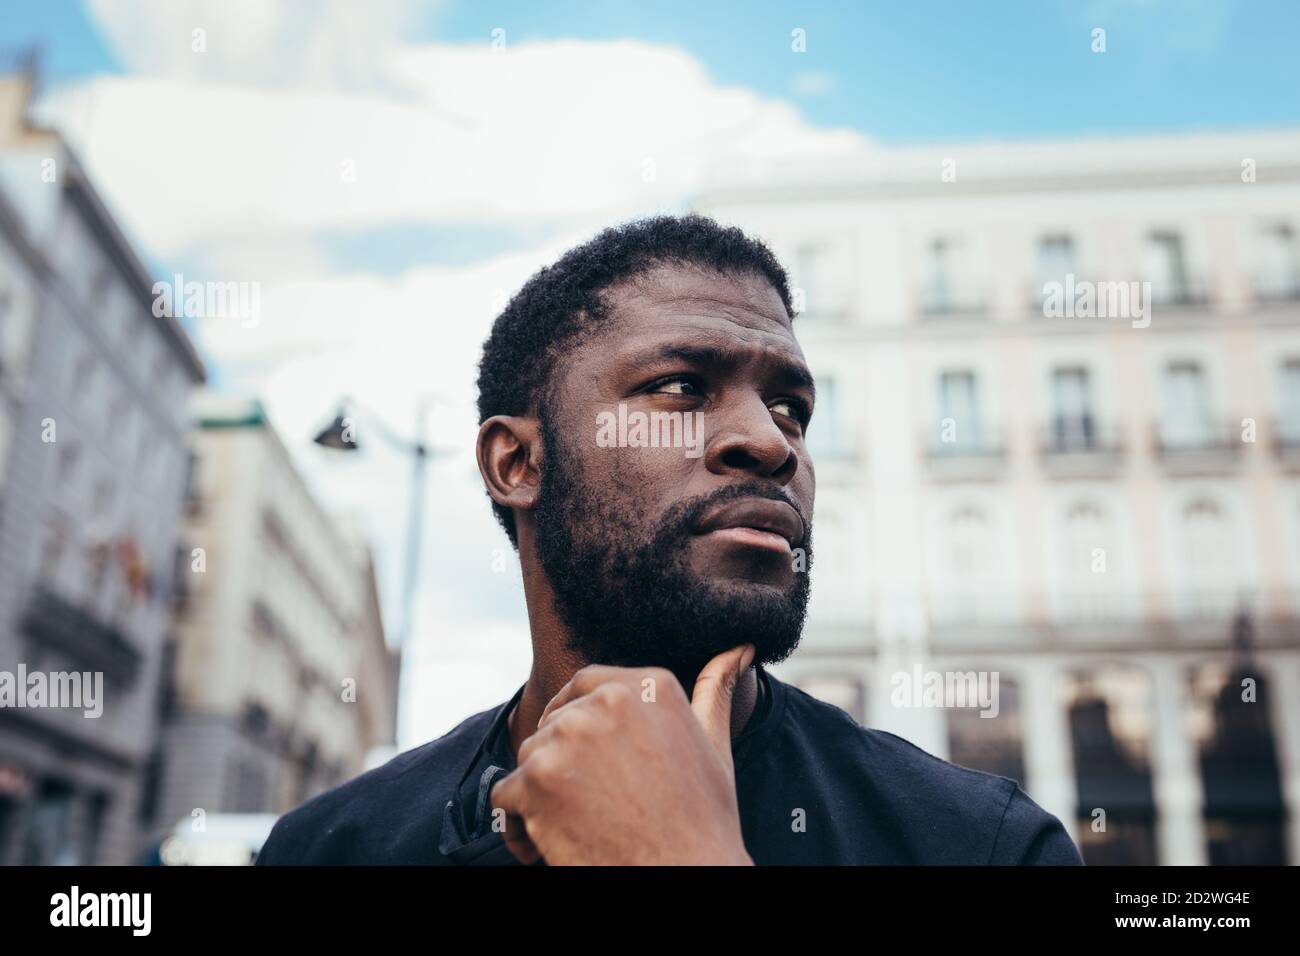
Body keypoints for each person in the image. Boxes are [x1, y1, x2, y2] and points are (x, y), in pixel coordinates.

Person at [257, 214, 1083, 865]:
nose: (771, 442)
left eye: (792, 406)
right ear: (516, 462)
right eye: (682, 387)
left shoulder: (982, 846)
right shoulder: (333, 848)